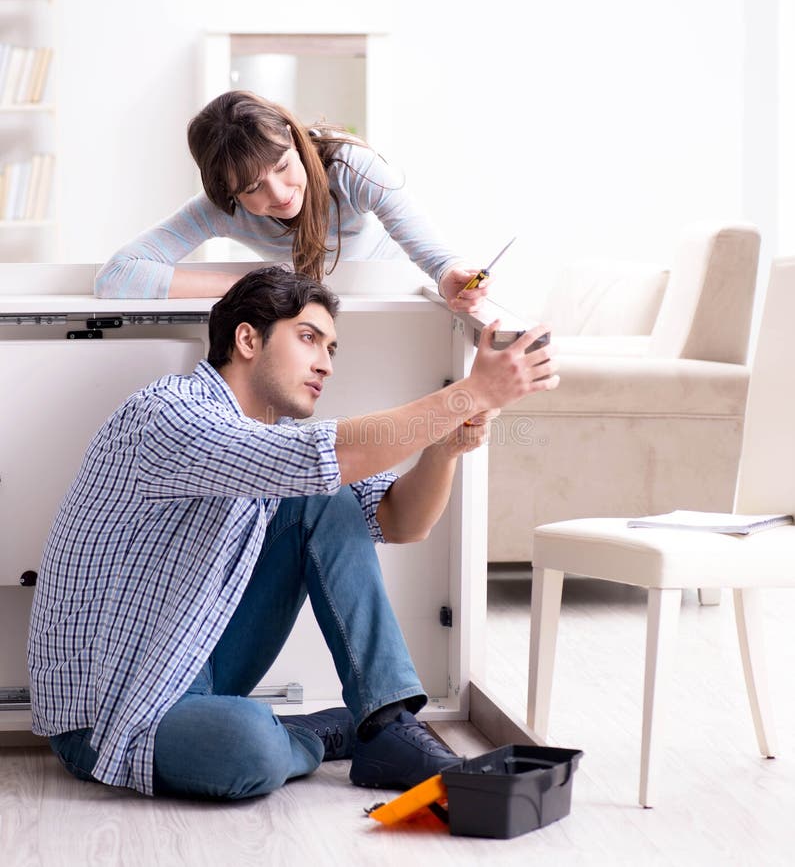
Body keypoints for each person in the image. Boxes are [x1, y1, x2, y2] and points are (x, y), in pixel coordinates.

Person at [28, 266, 557, 800]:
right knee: (249, 746)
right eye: (308, 339)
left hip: (196, 663)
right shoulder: (169, 413)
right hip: (111, 716)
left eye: (331, 348)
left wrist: (444, 445)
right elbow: (325, 454)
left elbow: (402, 521)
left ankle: (387, 723)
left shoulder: (277, 440)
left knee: (325, 497)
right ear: (247, 339)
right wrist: (468, 394)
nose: (324, 363)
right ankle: (311, 736)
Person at [95, 90, 491, 313]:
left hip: (390, 303)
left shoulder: (349, 165)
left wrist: (448, 274)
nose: (280, 194)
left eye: (283, 166)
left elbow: (432, 252)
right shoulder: (221, 208)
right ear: (227, 192)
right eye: (252, 189)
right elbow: (116, 277)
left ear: (291, 136)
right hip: (310, 315)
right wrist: (250, 284)